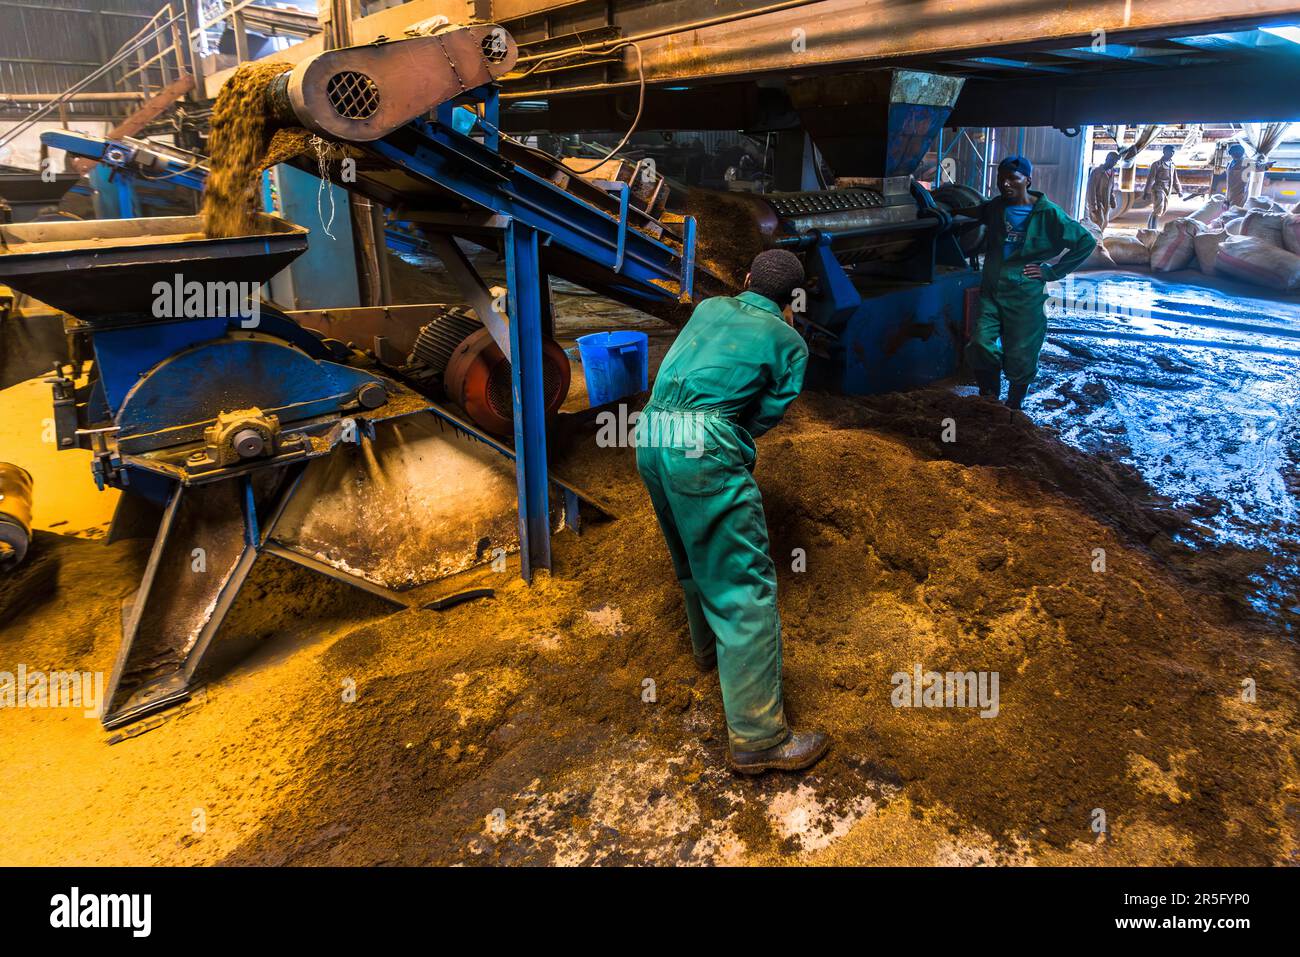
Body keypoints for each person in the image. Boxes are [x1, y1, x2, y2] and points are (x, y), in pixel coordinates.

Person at [634, 249, 829, 776]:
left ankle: (707, 652)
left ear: (744, 278)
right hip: (702, 444)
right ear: (792, 301)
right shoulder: (790, 341)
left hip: (650, 431)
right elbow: (764, 414)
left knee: (691, 553)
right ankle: (760, 738)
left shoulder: (707, 308)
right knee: (743, 585)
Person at [965, 155, 1097, 410]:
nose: (1005, 184)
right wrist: (941, 210)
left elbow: (1086, 242)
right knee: (980, 344)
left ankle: (1014, 406)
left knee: (1021, 353)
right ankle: (989, 400)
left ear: (1028, 180)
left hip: (1025, 292)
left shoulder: (1048, 213)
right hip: (991, 289)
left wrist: (1052, 272)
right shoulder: (996, 207)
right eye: (1001, 178)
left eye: (1013, 178)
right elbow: (974, 211)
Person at [1143, 144, 1182, 229]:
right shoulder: (1157, 164)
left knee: (1162, 210)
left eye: (1173, 152)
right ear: (1164, 152)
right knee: (1159, 208)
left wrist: (1179, 191)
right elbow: (1150, 179)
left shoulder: (1172, 165)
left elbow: (1175, 179)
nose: (1171, 153)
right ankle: (1153, 228)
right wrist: (1146, 192)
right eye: (1169, 152)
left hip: (1167, 190)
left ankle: (1151, 225)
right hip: (1158, 189)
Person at [1084, 151, 1120, 233]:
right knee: (1098, 224)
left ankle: (1099, 242)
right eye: (1111, 161)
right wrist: (1093, 206)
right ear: (1106, 159)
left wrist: (1112, 201)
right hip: (1098, 204)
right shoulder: (1096, 172)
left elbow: (1111, 189)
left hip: (1106, 204)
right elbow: (1091, 191)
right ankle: (1094, 243)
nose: (1113, 163)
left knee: (1104, 223)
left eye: (1115, 162)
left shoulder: (1112, 172)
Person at [1225, 143, 1249, 208]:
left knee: (1236, 212)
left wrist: (1266, 166)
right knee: (1229, 211)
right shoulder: (1230, 163)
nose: (1233, 156)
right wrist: (1226, 198)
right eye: (1232, 154)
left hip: (1240, 193)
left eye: (1234, 154)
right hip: (1230, 191)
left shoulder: (1246, 162)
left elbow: (1257, 166)